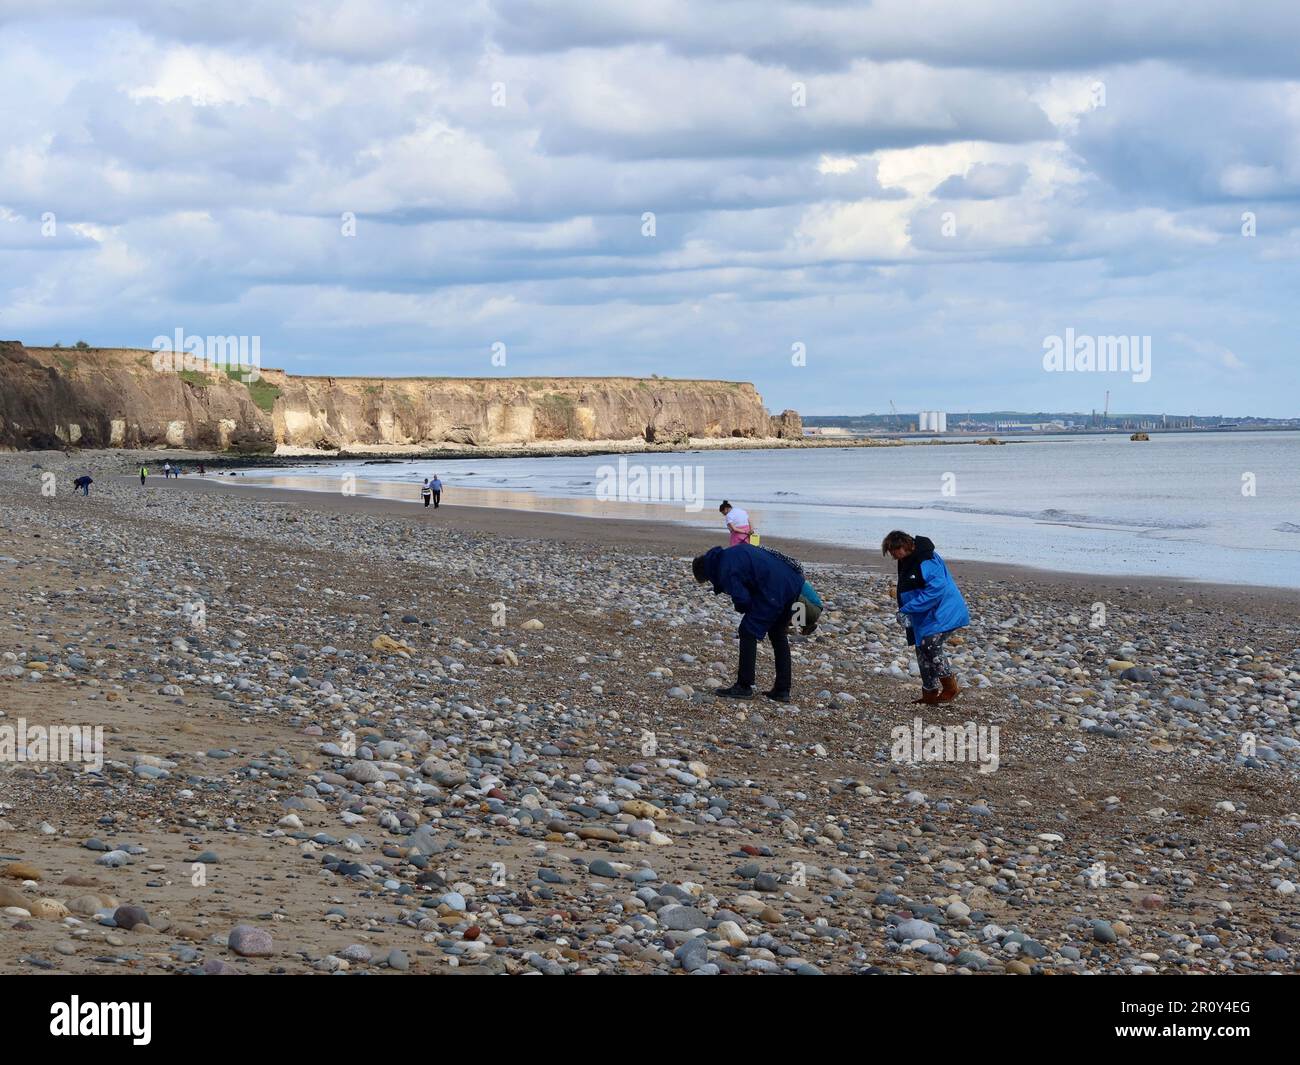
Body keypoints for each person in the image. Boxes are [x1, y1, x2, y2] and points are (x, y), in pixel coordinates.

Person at [692, 541, 804, 702]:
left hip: (774, 589)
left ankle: (744, 686)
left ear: (706, 572)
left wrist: (743, 608)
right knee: (778, 634)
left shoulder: (724, 568)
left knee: (747, 630)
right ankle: (782, 689)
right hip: (793, 583)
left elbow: (742, 598)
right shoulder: (729, 555)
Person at [883, 530, 970, 704]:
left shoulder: (926, 559)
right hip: (926, 614)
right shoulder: (907, 559)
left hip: (944, 611)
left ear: (905, 545)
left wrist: (908, 608)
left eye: (894, 551)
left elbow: (936, 590)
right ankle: (929, 693)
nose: (893, 555)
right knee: (921, 649)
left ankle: (950, 687)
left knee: (930, 645)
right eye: (891, 552)